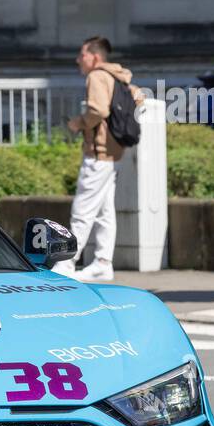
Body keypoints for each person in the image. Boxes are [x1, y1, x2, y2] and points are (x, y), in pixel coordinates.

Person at [54, 36, 144, 283]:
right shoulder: (119, 76)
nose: (78, 60)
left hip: (98, 152)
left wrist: (78, 123)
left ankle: (66, 263)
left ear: (94, 56)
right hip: (114, 152)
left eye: (81, 55)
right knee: (105, 212)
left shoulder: (96, 76)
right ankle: (103, 263)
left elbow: (98, 110)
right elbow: (139, 98)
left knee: (82, 209)